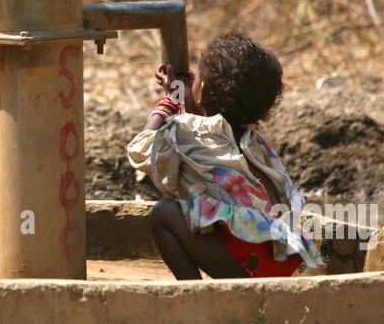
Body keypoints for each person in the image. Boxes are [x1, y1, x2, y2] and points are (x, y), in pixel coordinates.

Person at [127, 29, 322, 280]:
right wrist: (195, 101)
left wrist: (171, 101)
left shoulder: (193, 136)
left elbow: (140, 149)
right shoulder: (255, 144)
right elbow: (212, 136)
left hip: (251, 268)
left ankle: (197, 297)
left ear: (204, 91)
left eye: (197, 77)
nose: (193, 78)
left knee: (163, 214)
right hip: (282, 260)